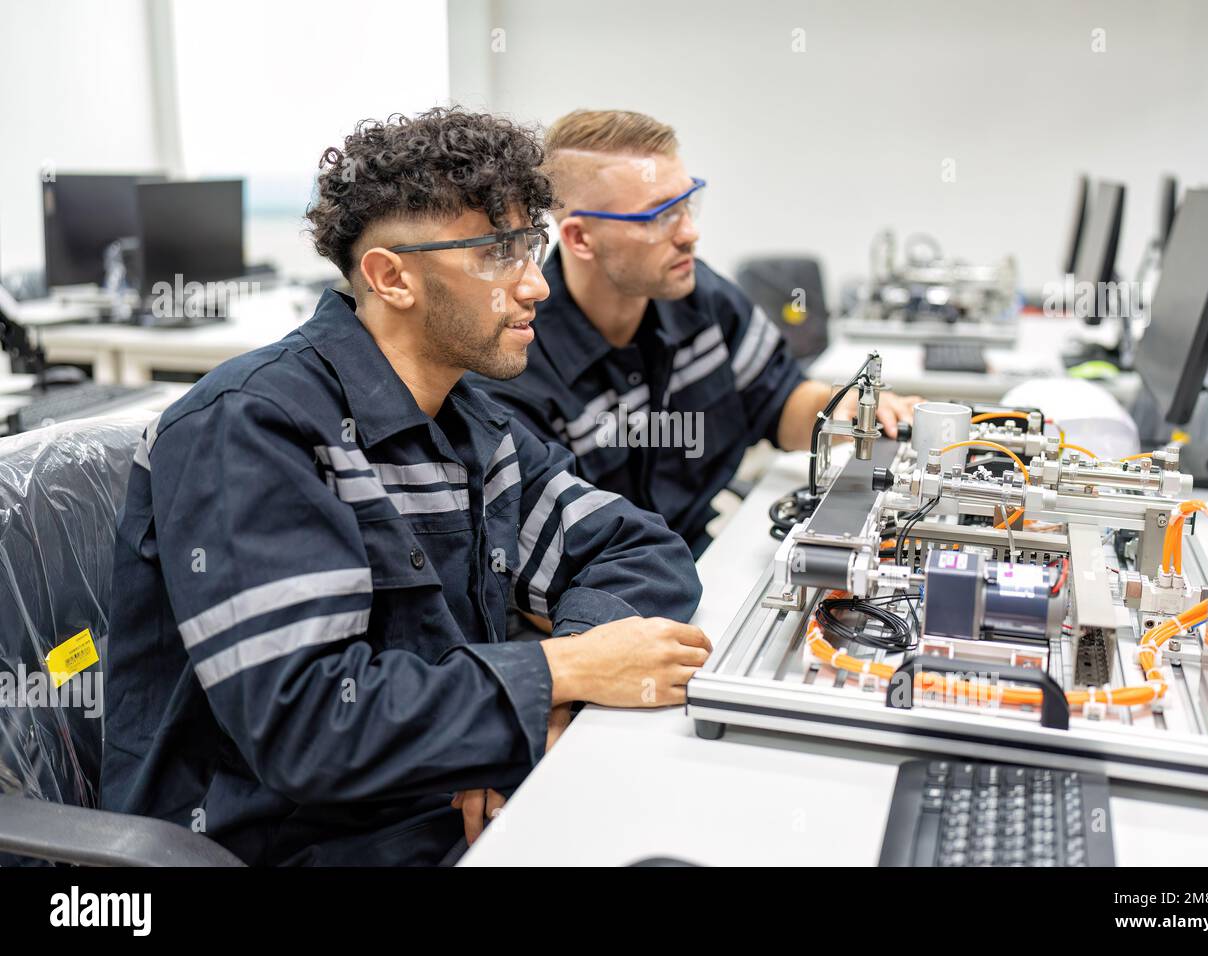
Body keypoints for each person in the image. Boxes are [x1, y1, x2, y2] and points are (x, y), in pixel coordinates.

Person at [101, 108, 710, 866]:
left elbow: (641, 550)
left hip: (440, 804)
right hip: (291, 845)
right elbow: (311, 728)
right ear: (392, 277)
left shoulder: (466, 422)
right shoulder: (253, 430)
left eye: (532, 246)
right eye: (498, 253)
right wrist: (563, 671)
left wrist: (551, 699)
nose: (536, 285)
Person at [467, 109, 922, 556]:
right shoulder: (518, 362)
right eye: (660, 215)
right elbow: (545, 563)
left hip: (699, 551)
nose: (689, 233)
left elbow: (781, 402)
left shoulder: (700, 296)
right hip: (607, 590)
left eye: (687, 203)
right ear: (581, 239)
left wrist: (851, 411)